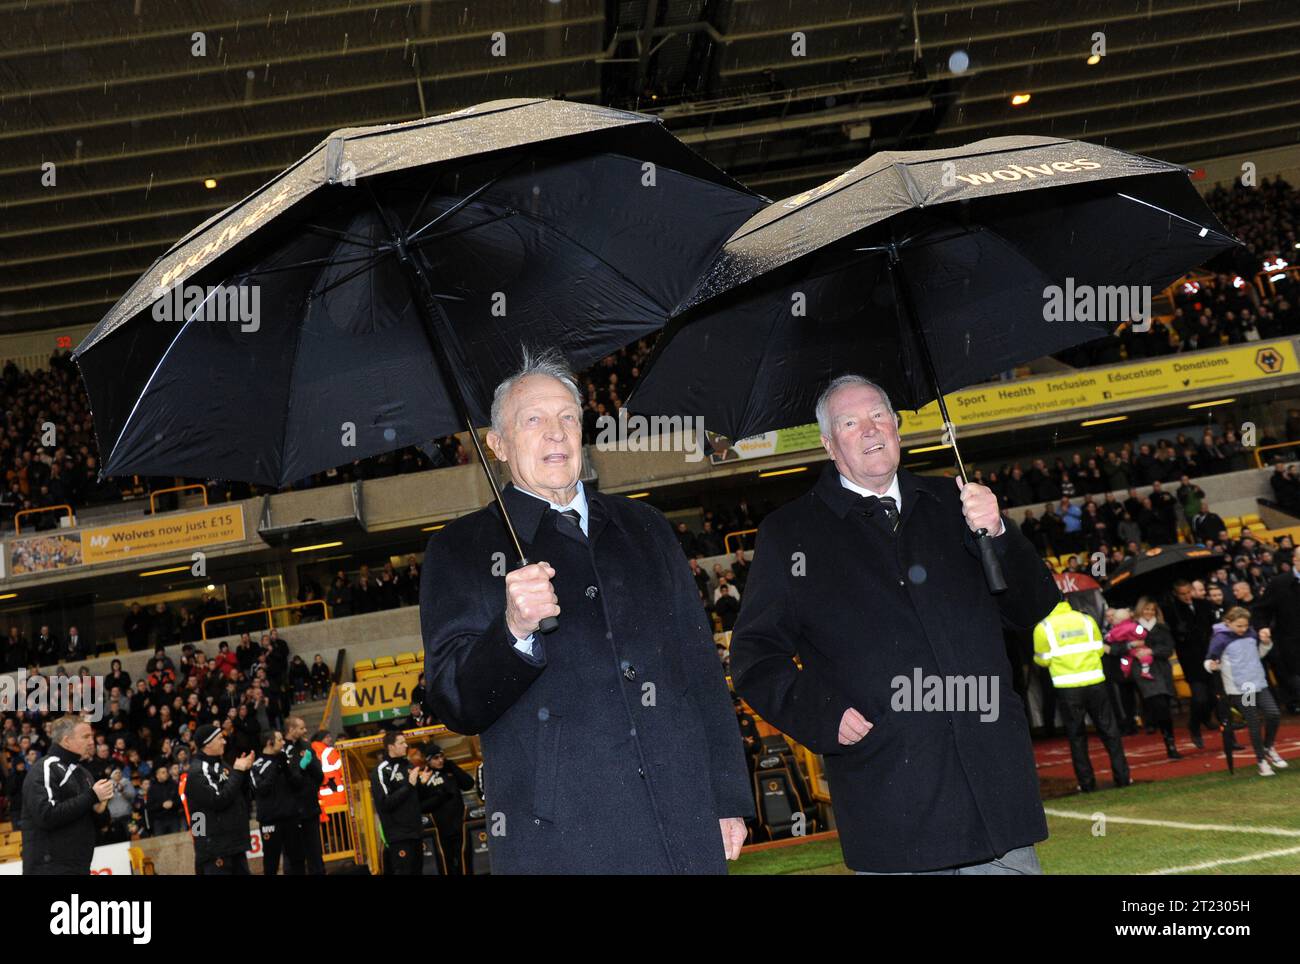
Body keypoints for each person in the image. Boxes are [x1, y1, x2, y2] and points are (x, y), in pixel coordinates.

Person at [420, 349, 752, 874]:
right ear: (498, 444)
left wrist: (728, 795)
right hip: (562, 840)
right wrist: (513, 630)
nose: (556, 432)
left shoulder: (645, 526)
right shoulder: (458, 549)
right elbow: (453, 701)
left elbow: (699, 668)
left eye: (568, 417)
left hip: (683, 819)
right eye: (534, 420)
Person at [729, 375, 1060, 874]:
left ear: (899, 427)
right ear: (828, 445)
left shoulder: (958, 504)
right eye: (849, 422)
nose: (869, 429)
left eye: (879, 414)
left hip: (993, 795)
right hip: (890, 802)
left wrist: (998, 532)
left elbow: (1030, 608)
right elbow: (755, 657)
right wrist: (823, 715)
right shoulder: (791, 533)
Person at [1033, 601, 1131, 792]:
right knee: (1110, 732)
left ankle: (1086, 783)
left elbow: (1043, 660)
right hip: (1095, 682)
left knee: (1077, 736)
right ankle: (1123, 777)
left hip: (1067, 687)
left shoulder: (1043, 627)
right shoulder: (1086, 620)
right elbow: (1099, 649)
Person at [22, 716, 114, 874]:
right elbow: (46, 816)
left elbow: (96, 823)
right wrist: (91, 796)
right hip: (49, 869)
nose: (92, 742)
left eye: (91, 736)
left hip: (80, 866)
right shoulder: (45, 768)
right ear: (66, 741)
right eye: (85, 737)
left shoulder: (83, 773)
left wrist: (100, 810)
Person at [1207, 608, 1288, 776]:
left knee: (1274, 714)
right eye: (1239, 626)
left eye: (1245, 625)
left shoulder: (1251, 634)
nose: (1243, 629)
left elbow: (1257, 655)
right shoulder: (1220, 638)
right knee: (1254, 721)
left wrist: (1265, 644)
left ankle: (1267, 747)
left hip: (1257, 681)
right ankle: (1261, 761)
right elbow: (1210, 659)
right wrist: (1211, 666)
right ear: (1228, 622)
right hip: (1240, 687)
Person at [186, 722, 254, 874]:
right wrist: (237, 771)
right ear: (207, 744)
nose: (224, 741)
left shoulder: (221, 764)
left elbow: (237, 791)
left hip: (232, 844)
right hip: (215, 848)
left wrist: (244, 771)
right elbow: (218, 800)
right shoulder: (198, 772)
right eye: (219, 738)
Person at [1165, 579, 1218, 748]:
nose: (1187, 596)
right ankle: (1194, 725)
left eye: (1189, 592)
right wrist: (1178, 632)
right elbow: (1170, 635)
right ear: (1176, 594)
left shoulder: (1204, 605)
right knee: (1199, 697)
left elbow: (1214, 626)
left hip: (1209, 655)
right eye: (1183, 594)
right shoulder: (1171, 610)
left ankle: (1207, 719)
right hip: (1191, 660)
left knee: (1213, 696)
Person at [415, 741, 474, 875]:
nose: (440, 760)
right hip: (440, 831)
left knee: (465, 861)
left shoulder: (449, 770)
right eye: (436, 758)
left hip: (460, 826)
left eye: (442, 756)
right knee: (446, 864)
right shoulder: (425, 776)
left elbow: (468, 784)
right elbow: (420, 806)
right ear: (428, 760)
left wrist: (452, 766)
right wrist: (440, 797)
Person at [371, 730, 424, 875]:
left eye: (405, 742)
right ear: (390, 747)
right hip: (398, 835)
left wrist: (423, 784)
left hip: (416, 832)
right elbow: (384, 803)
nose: (406, 745)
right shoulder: (382, 771)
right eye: (401, 743)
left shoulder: (409, 765)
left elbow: (417, 798)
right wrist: (409, 786)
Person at [250, 730, 301, 874]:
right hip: (270, 821)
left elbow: (297, 784)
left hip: (291, 817)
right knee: (271, 862)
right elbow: (261, 790)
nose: (283, 742)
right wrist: (275, 767)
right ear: (269, 743)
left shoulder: (285, 759)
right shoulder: (257, 765)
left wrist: (286, 768)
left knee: (297, 859)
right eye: (279, 740)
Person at [283, 715, 325, 874]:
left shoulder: (307, 746)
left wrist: (310, 787)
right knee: (293, 855)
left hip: (309, 808)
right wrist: (300, 769)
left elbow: (319, 775)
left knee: (315, 852)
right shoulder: (280, 749)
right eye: (301, 728)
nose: (305, 730)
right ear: (291, 730)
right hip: (290, 812)